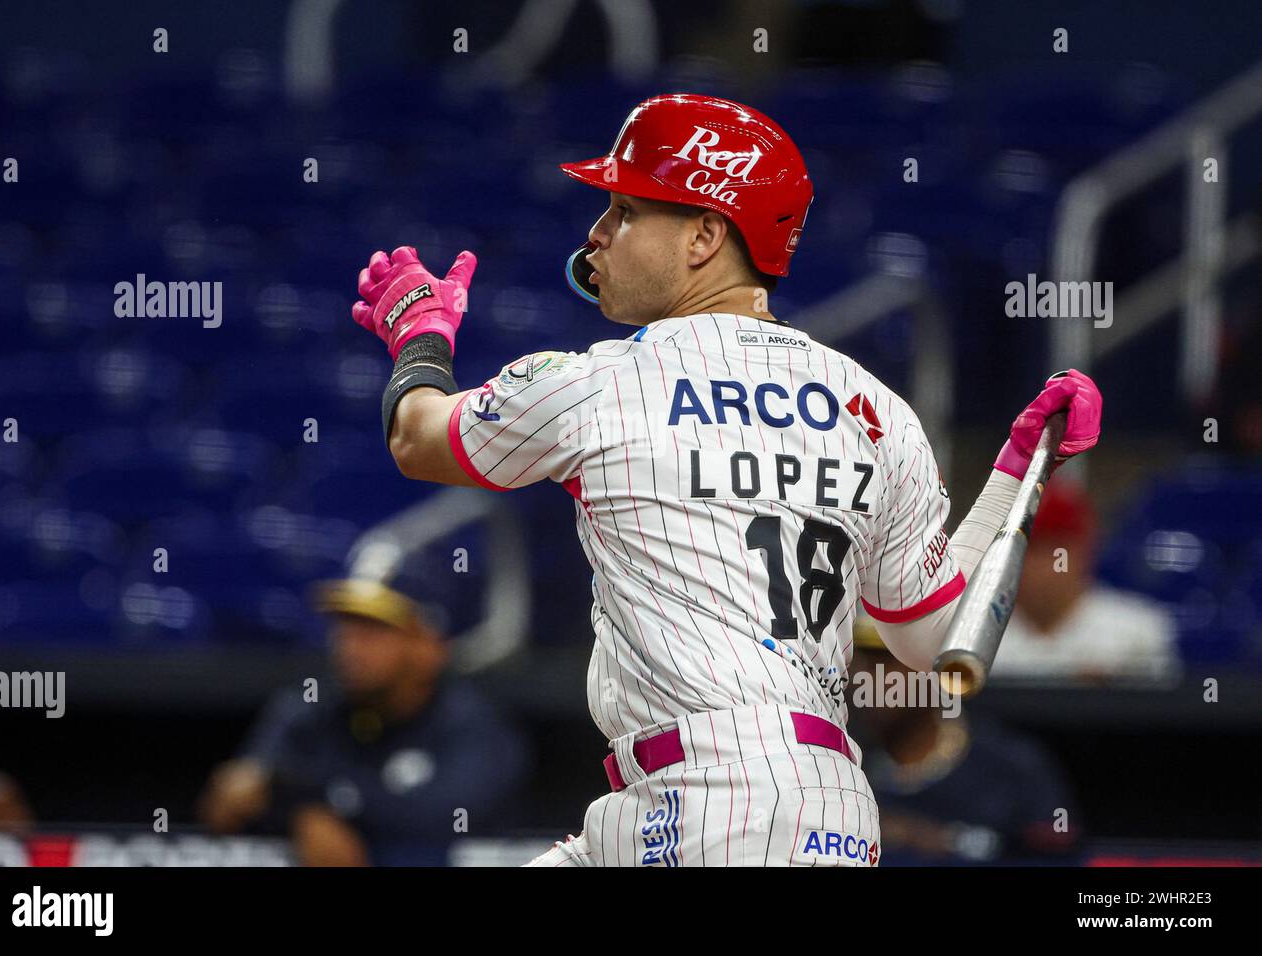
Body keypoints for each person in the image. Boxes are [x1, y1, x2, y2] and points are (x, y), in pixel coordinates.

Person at [350, 93, 1103, 866]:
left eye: (625, 209)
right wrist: (1013, 479)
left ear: (707, 234)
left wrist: (419, 332)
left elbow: (416, 437)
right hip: (791, 801)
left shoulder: (603, 381)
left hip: (721, 800)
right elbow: (932, 636)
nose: (596, 233)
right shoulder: (875, 409)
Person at [198, 574, 531, 866]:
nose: (351, 648)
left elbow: (440, 821)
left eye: (373, 632)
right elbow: (229, 805)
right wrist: (304, 815)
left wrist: (310, 801)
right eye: (346, 629)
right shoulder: (307, 709)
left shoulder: (471, 722)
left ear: (428, 646)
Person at [848, 621, 1081, 864]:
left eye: (884, 662)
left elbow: (1059, 858)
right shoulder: (834, 763)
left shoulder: (1012, 768)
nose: (865, 678)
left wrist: (943, 841)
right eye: (859, 661)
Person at [992, 478, 1180, 684]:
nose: (1041, 564)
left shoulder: (1138, 631)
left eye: (1056, 547)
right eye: (1031, 548)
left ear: (1086, 548)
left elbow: (1163, 713)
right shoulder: (974, 633)